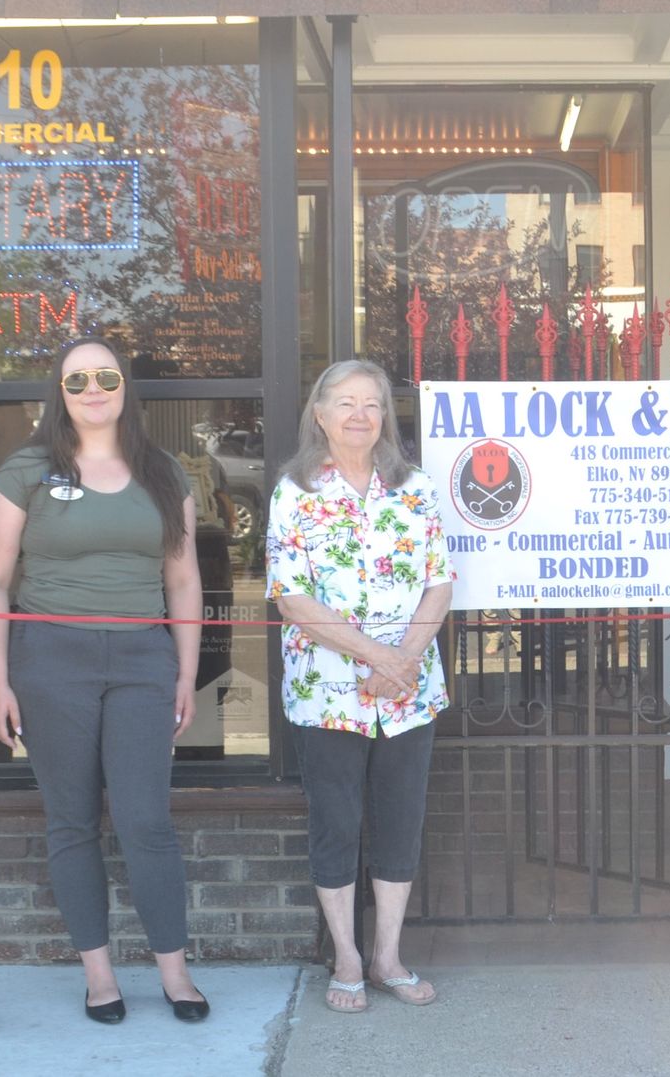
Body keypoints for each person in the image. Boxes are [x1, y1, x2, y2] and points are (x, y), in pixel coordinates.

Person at [0, 337, 210, 1025]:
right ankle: (99, 974)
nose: (93, 388)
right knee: (73, 821)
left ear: (125, 386)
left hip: (142, 658)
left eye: (106, 375)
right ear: (60, 391)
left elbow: (183, 577)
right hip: (51, 659)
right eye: (78, 379)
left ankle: (175, 970)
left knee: (146, 821)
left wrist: (187, 671)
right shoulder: (26, 470)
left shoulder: (164, 472)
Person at [267, 359, 454, 1014]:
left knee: (399, 822)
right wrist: (376, 654)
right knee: (336, 823)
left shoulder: (416, 488)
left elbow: (440, 580)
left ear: (384, 417)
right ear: (319, 414)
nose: (358, 414)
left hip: (410, 690)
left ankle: (387, 955)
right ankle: (346, 954)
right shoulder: (295, 491)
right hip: (329, 691)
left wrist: (402, 659)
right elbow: (291, 598)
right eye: (344, 402)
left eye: (371, 403)